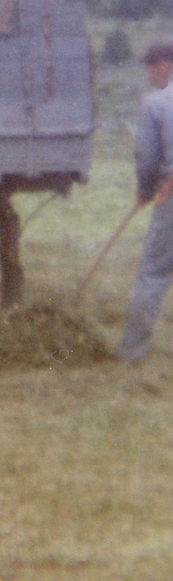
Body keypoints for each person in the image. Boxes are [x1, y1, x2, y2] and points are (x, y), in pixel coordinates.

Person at [117, 42, 173, 362]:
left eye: (152, 67)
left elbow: (148, 159)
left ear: (166, 64)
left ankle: (131, 351)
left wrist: (145, 190)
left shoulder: (157, 104)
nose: (150, 75)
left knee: (153, 273)